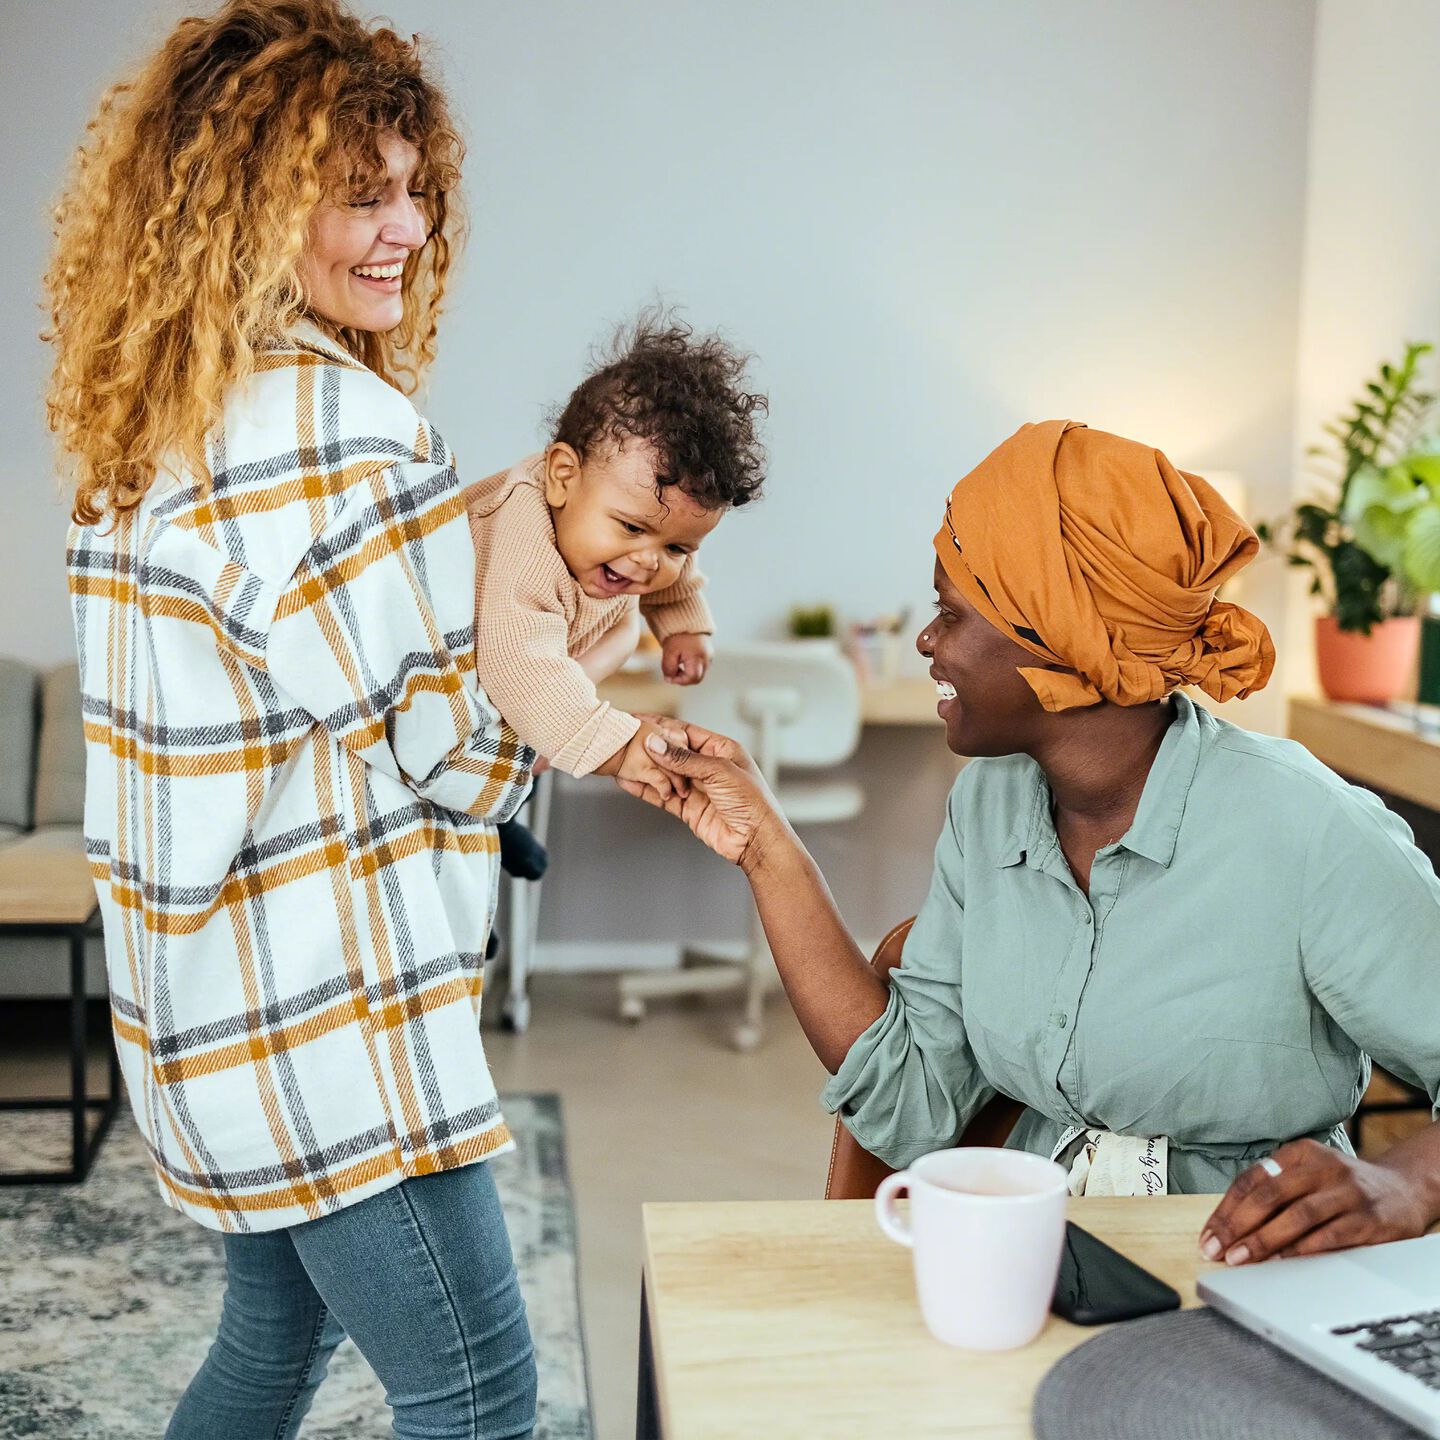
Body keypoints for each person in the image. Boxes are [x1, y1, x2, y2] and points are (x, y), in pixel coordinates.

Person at [46, 1, 539, 1433]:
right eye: (360, 192)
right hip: (336, 1028)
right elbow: (462, 757)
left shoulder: (150, 431)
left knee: (274, 1348)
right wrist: (583, 606)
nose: (407, 230)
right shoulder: (346, 435)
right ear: (254, 205)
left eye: (415, 189)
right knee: (478, 1392)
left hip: (205, 1007)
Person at [629, 419, 1440, 1266]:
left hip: (1255, 1279)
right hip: (1031, 1262)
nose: (927, 641)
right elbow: (912, 1097)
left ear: (1062, 644)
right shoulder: (990, 803)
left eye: (951, 610)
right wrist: (765, 844)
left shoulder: (1308, 829)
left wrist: (1406, 1183)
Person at [466, 310, 766, 795]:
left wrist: (683, 624)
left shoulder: (618, 533)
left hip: (513, 722)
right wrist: (618, 747)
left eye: (676, 546)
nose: (649, 560)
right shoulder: (523, 538)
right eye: (631, 527)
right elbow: (519, 664)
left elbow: (680, 573)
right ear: (563, 477)